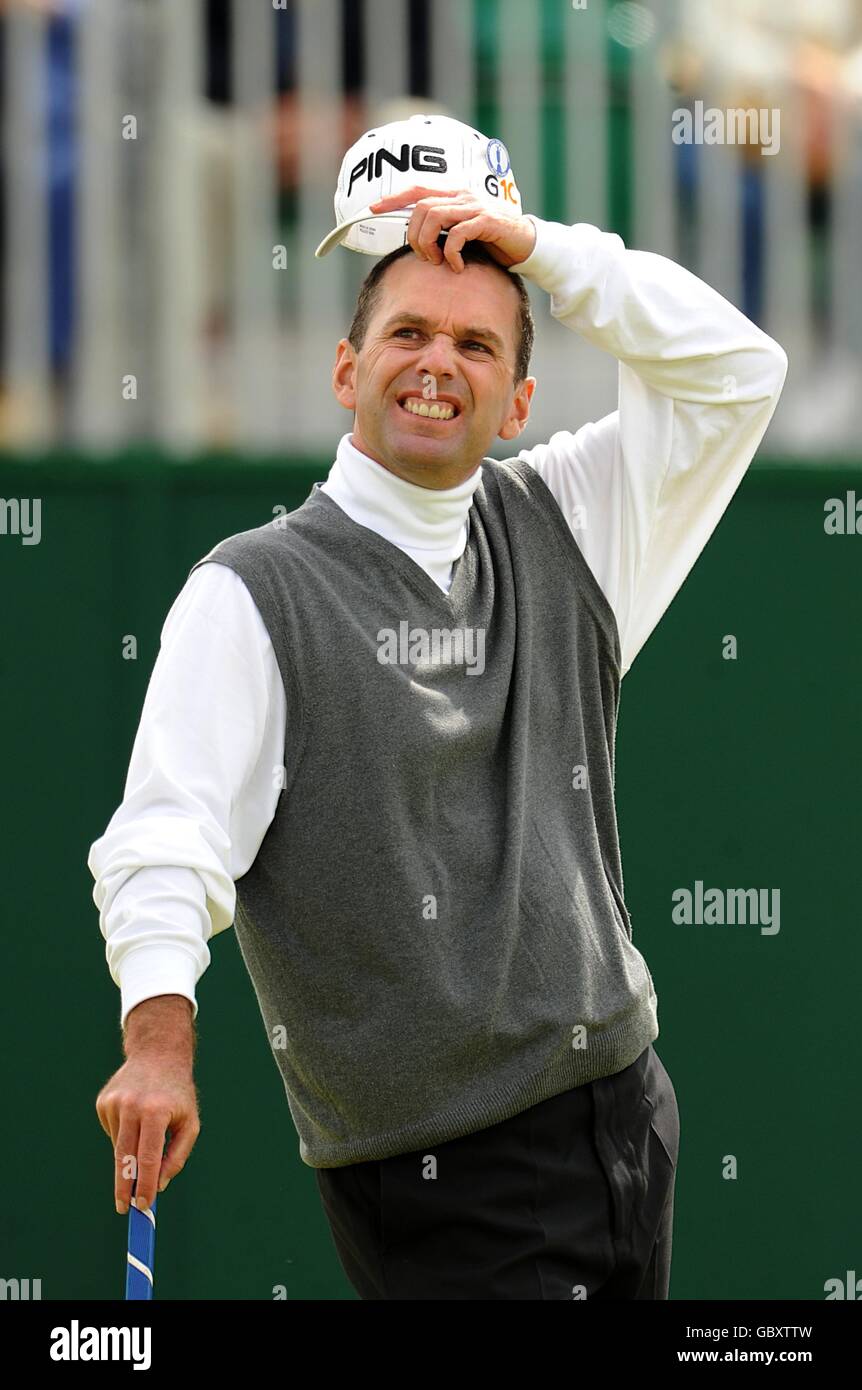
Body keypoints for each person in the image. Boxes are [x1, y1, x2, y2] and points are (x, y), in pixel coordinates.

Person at [89, 114, 787, 1300]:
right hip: (439, 1176)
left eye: (474, 343)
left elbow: (736, 373)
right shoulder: (250, 591)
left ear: (516, 398)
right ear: (346, 370)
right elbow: (166, 839)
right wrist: (157, 1043)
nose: (435, 362)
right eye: (406, 331)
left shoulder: (570, 518)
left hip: (626, 1112)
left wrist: (550, 252)